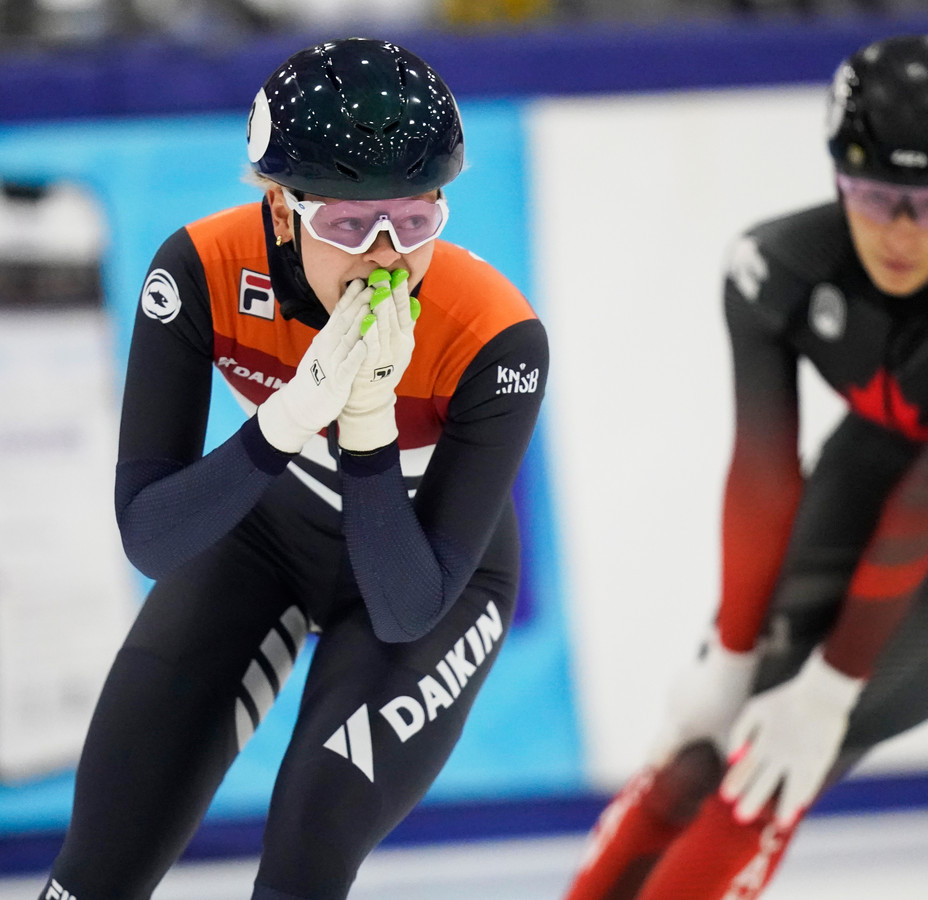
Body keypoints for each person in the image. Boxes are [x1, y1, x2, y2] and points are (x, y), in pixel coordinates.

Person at [563, 33, 928, 900]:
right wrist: (731, 655)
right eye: (874, 196)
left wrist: (830, 686)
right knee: (696, 750)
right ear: (836, 179)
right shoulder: (772, 266)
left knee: (776, 763)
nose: (899, 233)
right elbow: (762, 469)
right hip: (886, 446)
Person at [34, 38, 548, 900]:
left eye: (415, 221)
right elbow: (150, 539)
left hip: (425, 571)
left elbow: (407, 608)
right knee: (93, 877)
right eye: (349, 225)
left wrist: (367, 423)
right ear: (279, 209)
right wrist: (283, 423)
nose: (386, 255)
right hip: (262, 540)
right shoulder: (201, 269)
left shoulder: (492, 334)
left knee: (302, 874)